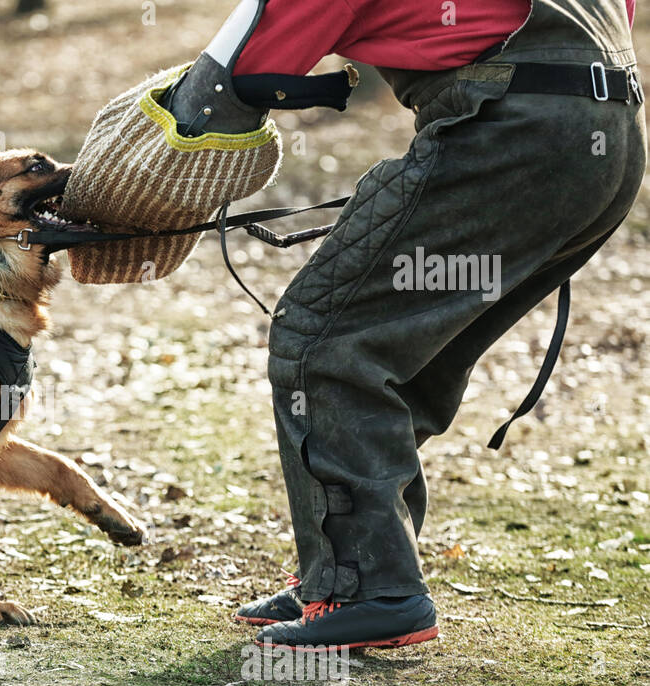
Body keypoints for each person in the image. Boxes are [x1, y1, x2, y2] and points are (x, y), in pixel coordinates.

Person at [181, 0, 643, 649]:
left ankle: (371, 589)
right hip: (606, 139)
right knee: (407, 354)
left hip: (512, 128)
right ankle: (344, 574)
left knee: (322, 338)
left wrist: (153, 148)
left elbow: (244, 76)